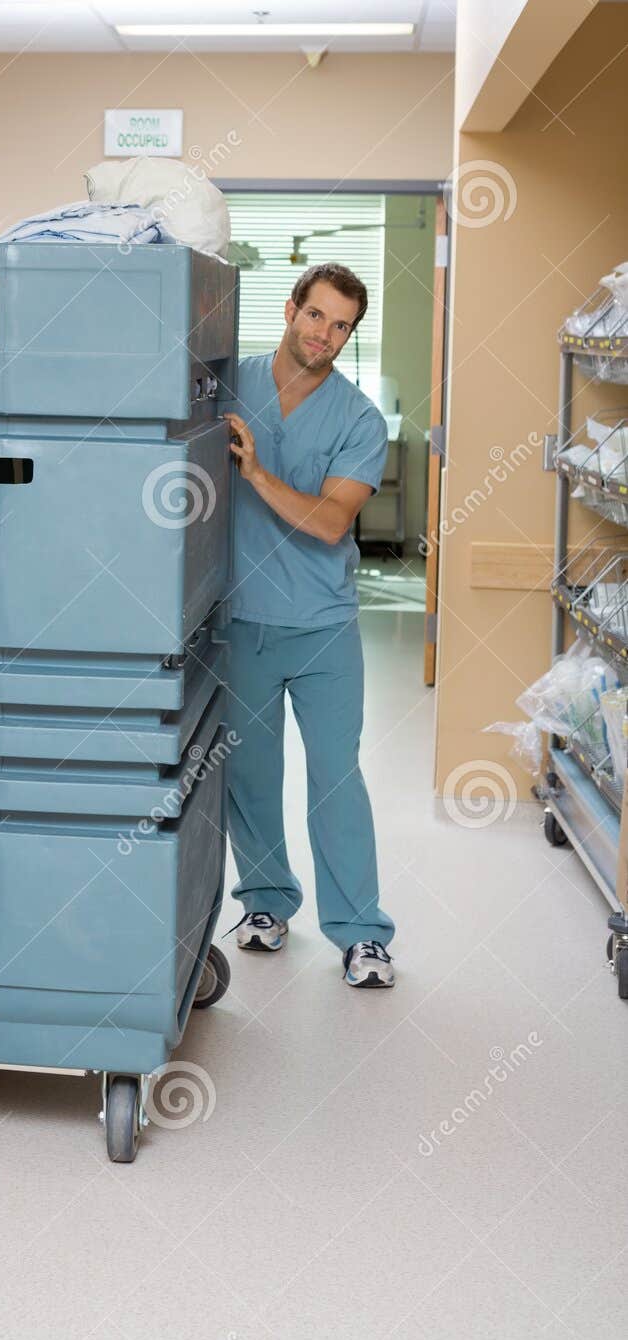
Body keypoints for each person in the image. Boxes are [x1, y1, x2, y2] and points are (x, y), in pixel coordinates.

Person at [224, 263, 396, 988]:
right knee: (250, 773)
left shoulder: (359, 420)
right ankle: (265, 904)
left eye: (341, 325)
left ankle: (361, 935)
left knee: (335, 779)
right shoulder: (226, 382)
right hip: (238, 619)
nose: (324, 334)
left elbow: (330, 522)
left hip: (322, 625)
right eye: (316, 315)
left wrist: (259, 475)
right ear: (291, 309)